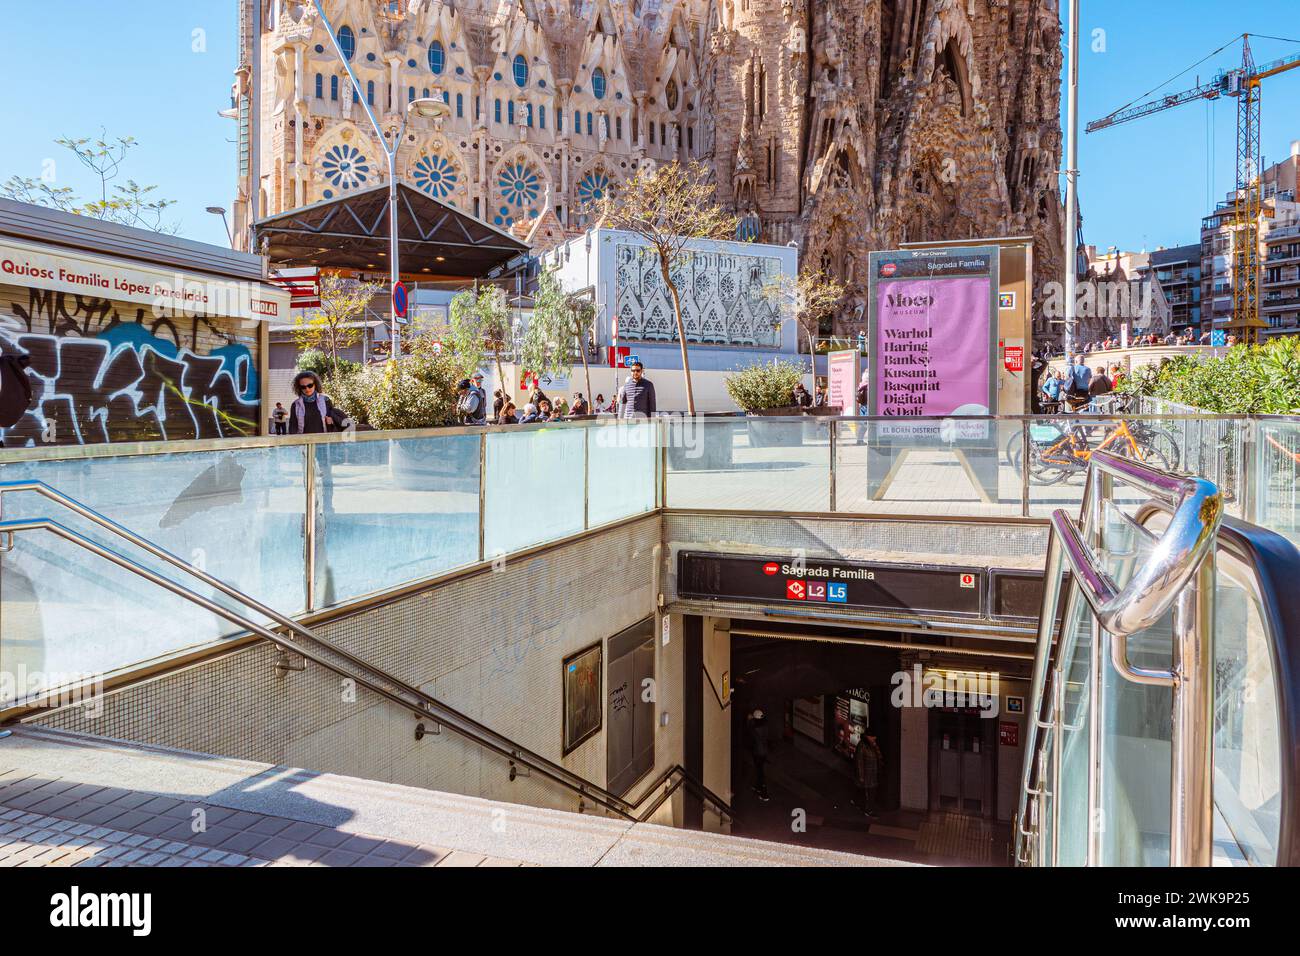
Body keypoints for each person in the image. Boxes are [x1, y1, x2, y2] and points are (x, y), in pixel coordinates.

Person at [855, 731, 883, 818]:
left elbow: (879, 757)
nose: (875, 738)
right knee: (869, 793)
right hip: (867, 774)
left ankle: (868, 808)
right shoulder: (862, 746)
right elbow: (859, 762)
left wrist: (876, 747)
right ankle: (868, 810)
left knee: (872, 792)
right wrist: (861, 776)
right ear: (868, 736)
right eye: (873, 736)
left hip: (873, 773)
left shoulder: (872, 745)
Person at [747, 708, 771, 803]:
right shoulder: (765, 726)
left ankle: (764, 793)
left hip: (757, 752)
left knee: (760, 772)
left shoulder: (755, 729)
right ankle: (757, 786)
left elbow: (749, 729)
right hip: (764, 751)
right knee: (759, 769)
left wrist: (749, 720)